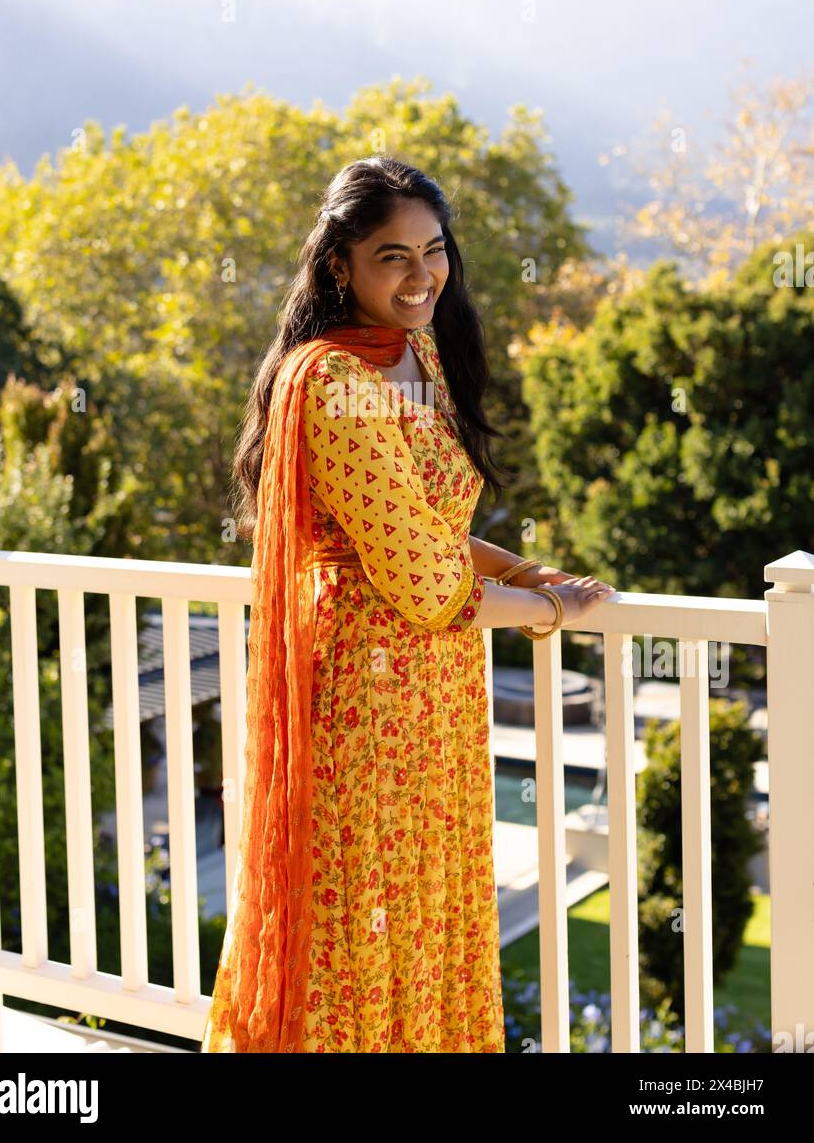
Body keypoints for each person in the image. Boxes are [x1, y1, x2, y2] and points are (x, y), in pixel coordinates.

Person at [200, 155, 616, 1053]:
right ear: (338, 263)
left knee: (430, 920)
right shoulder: (333, 384)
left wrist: (527, 571)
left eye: (433, 251)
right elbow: (421, 584)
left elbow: (425, 525)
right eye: (393, 256)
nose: (423, 275)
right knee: (360, 932)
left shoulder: (414, 356)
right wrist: (549, 616)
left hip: (437, 695)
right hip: (367, 697)